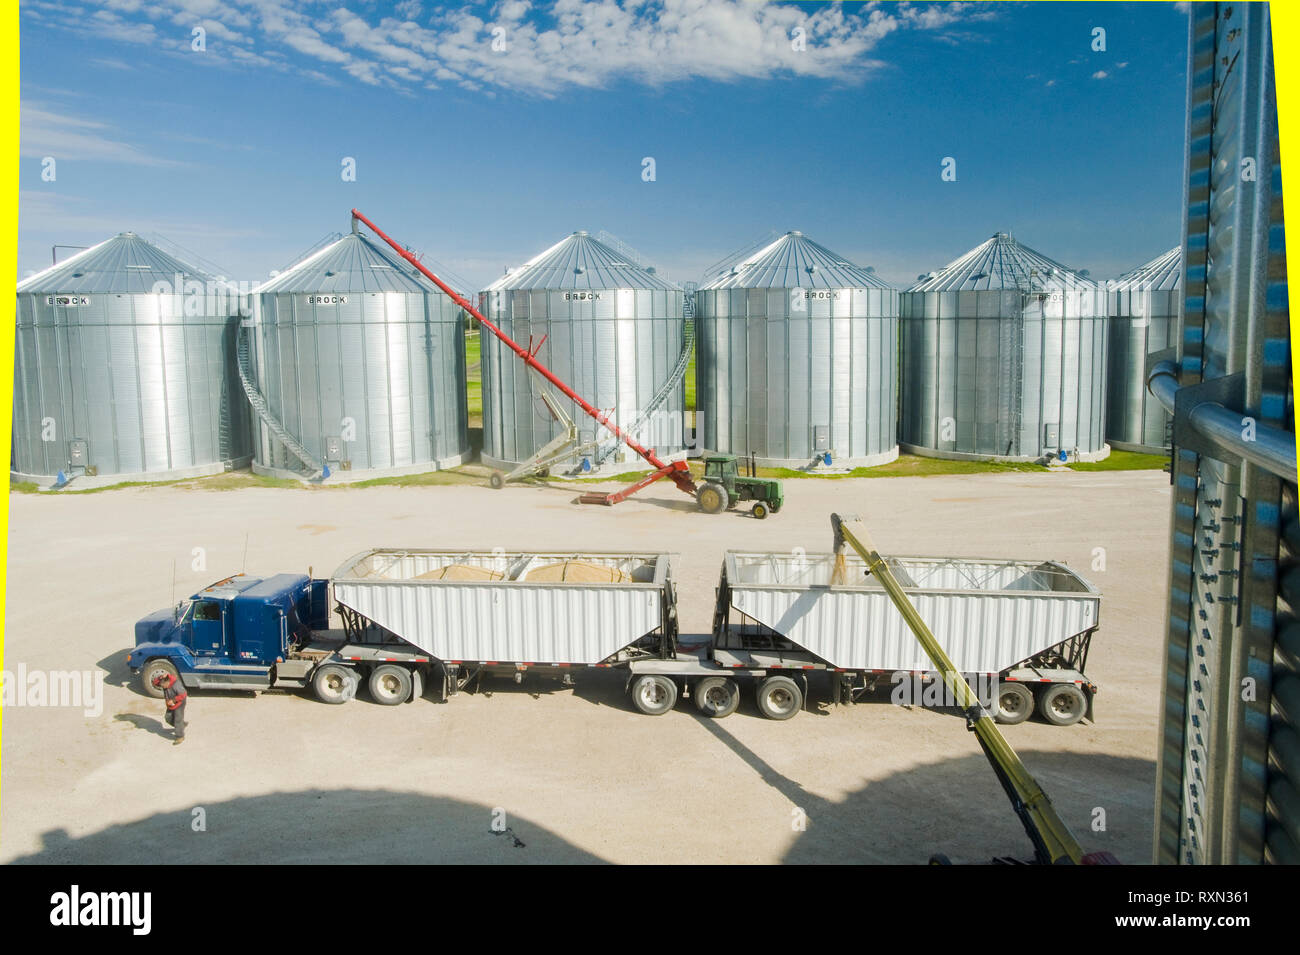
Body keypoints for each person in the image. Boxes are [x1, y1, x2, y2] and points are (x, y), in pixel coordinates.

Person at [152, 672, 188, 744]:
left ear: (168, 682)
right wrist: (160, 677)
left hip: (179, 704)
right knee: (168, 718)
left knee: (177, 720)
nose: (163, 687)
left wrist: (173, 700)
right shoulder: (163, 682)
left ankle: (180, 736)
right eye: (161, 686)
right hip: (170, 705)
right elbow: (154, 683)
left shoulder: (176, 685)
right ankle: (182, 725)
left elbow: (183, 694)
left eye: (164, 685)